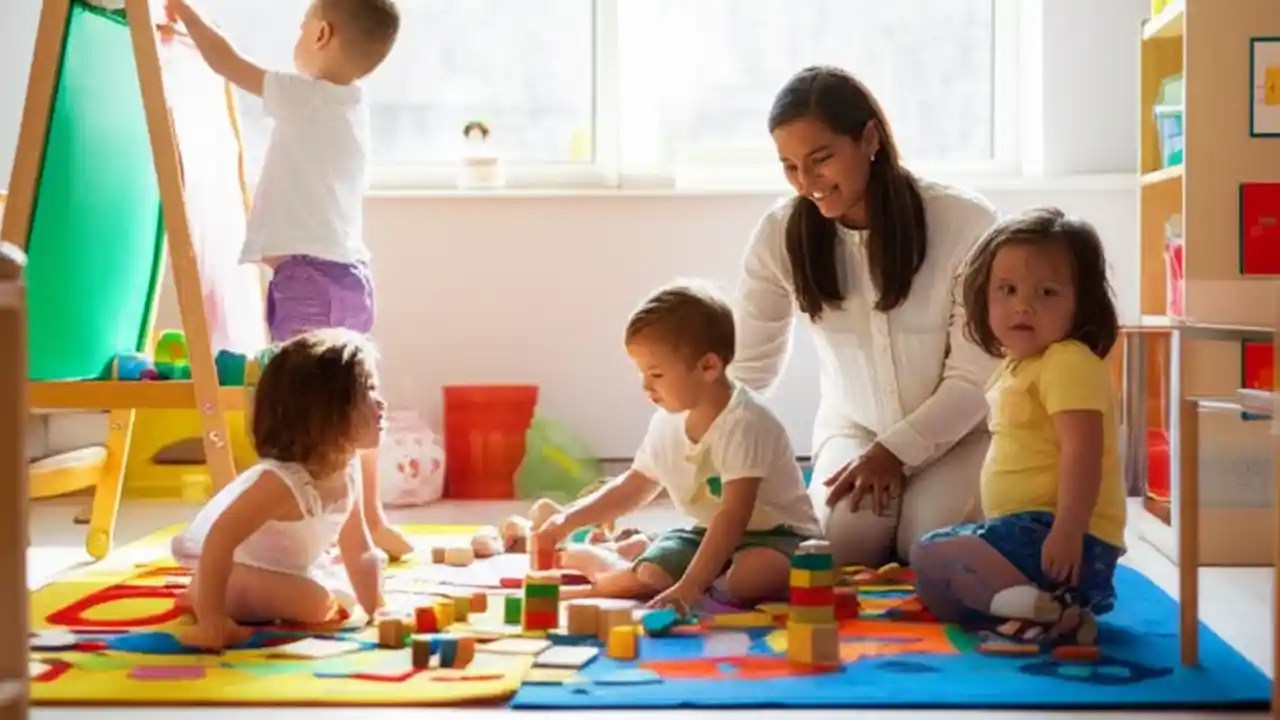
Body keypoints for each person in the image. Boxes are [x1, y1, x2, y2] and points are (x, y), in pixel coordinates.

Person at [165, 0, 412, 560]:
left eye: (302, 25)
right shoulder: (353, 104)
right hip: (351, 276)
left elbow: (226, 64)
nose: (297, 36)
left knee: (303, 406)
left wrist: (188, 15)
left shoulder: (305, 96)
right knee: (358, 402)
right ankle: (369, 519)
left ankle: (312, 529)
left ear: (322, 33)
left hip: (307, 279)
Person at [732, 65, 1001, 568]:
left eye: (821, 159)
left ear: (869, 138)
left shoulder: (966, 222)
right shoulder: (779, 235)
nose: (807, 183)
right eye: (790, 166)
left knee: (928, 546)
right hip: (855, 428)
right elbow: (747, 370)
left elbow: (978, 374)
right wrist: (684, 453)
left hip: (963, 434)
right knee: (845, 546)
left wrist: (895, 453)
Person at [533, 283, 822, 611]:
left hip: (781, 536)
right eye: (641, 373)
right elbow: (635, 486)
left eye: (655, 373)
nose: (645, 385)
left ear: (708, 367)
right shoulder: (667, 422)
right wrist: (566, 521)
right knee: (652, 572)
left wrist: (689, 586)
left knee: (751, 578)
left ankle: (709, 582)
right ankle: (622, 568)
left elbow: (733, 515)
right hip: (707, 533)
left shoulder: (745, 423)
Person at [909, 208, 1126, 645]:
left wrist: (1068, 529)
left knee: (928, 552)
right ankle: (1044, 613)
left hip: (1059, 534)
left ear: (1080, 302)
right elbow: (1005, 457)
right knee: (933, 581)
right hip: (1021, 531)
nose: (1022, 305)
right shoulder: (1015, 367)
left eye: (1047, 293)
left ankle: (1049, 608)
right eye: (1006, 290)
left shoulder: (1067, 362)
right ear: (983, 297)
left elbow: (1082, 451)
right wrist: (974, 521)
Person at [171, 329, 389, 651]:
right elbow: (219, 539)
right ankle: (202, 597)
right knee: (316, 604)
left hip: (289, 568)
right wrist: (212, 619)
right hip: (234, 574)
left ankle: (217, 597)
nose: (381, 402)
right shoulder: (282, 483)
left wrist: (379, 608)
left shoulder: (347, 468)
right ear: (324, 412)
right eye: (368, 390)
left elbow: (358, 548)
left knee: (348, 587)